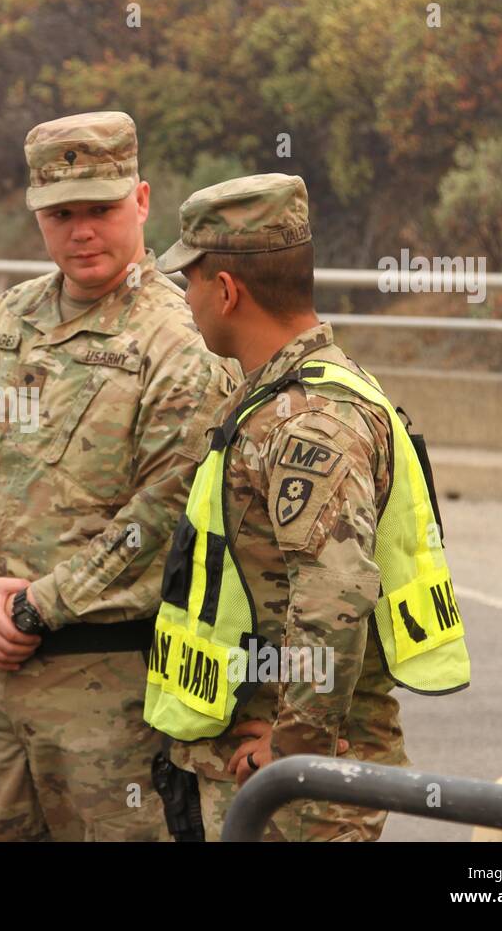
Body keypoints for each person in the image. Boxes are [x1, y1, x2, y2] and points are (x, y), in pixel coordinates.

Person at [0, 110, 241, 841]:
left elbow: (163, 518)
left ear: (143, 201)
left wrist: (35, 608)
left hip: (114, 697)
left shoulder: (179, 341)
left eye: (100, 209)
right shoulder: (5, 322)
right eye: (61, 214)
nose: (82, 231)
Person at [143, 173, 470, 841]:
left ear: (227, 290)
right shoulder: (290, 395)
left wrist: (293, 753)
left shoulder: (307, 422)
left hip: (295, 799)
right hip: (274, 778)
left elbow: (336, 592)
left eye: (191, 282)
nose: (187, 300)